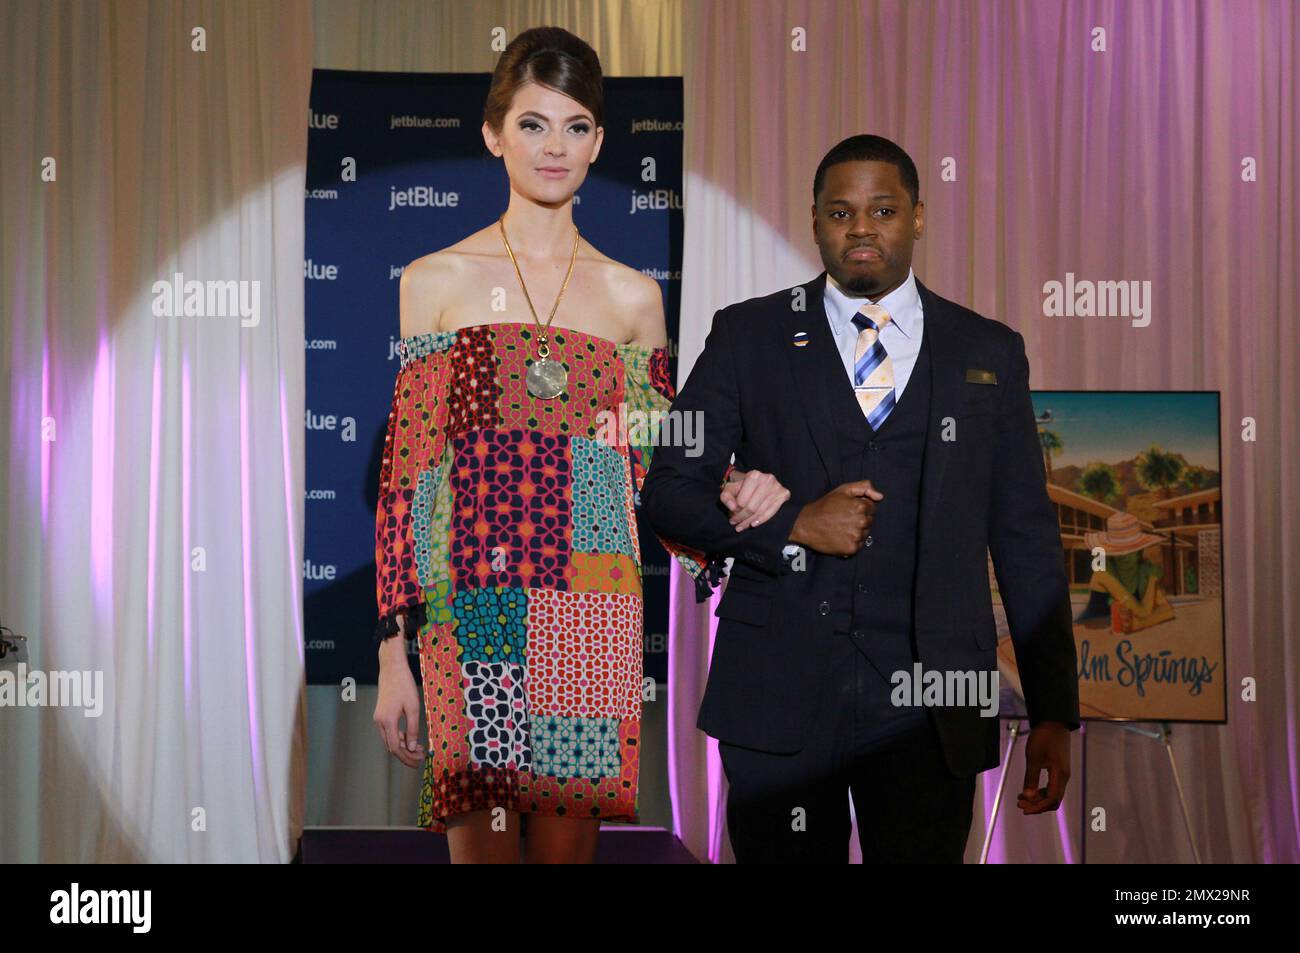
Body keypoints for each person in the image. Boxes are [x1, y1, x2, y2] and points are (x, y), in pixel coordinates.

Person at [370, 26, 788, 864]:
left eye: (573, 126)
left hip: (591, 601)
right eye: (532, 124)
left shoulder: (635, 298)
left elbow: (661, 455)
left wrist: (744, 487)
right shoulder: (435, 281)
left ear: (599, 140)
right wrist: (393, 648)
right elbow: (409, 469)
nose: (553, 147)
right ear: (494, 134)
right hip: (470, 603)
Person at [641, 134, 1081, 863]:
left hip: (931, 708)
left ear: (917, 217)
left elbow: (1027, 541)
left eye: (883, 209)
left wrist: (1054, 710)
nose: (862, 227)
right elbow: (667, 489)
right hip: (779, 698)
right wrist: (793, 522)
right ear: (815, 222)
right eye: (841, 213)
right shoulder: (749, 335)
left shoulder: (988, 351)